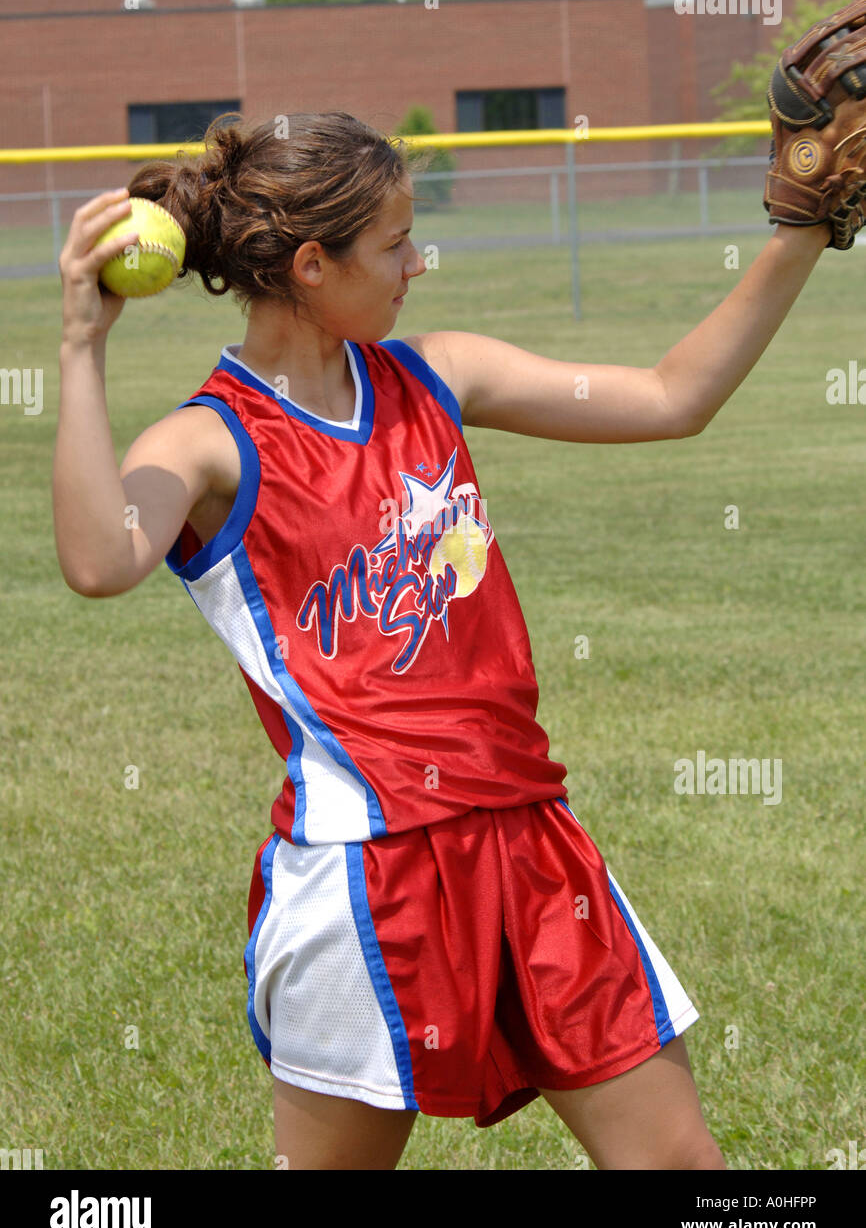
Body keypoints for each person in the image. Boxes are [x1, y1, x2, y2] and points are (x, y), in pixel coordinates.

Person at [54, 110, 829, 1171]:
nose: (418, 262)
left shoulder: (435, 374)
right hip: (370, 871)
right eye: (394, 243)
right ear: (313, 265)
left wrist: (795, 230)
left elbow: (670, 396)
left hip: (530, 835)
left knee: (680, 1168)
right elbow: (101, 560)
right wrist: (82, 349)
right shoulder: (209, 438)